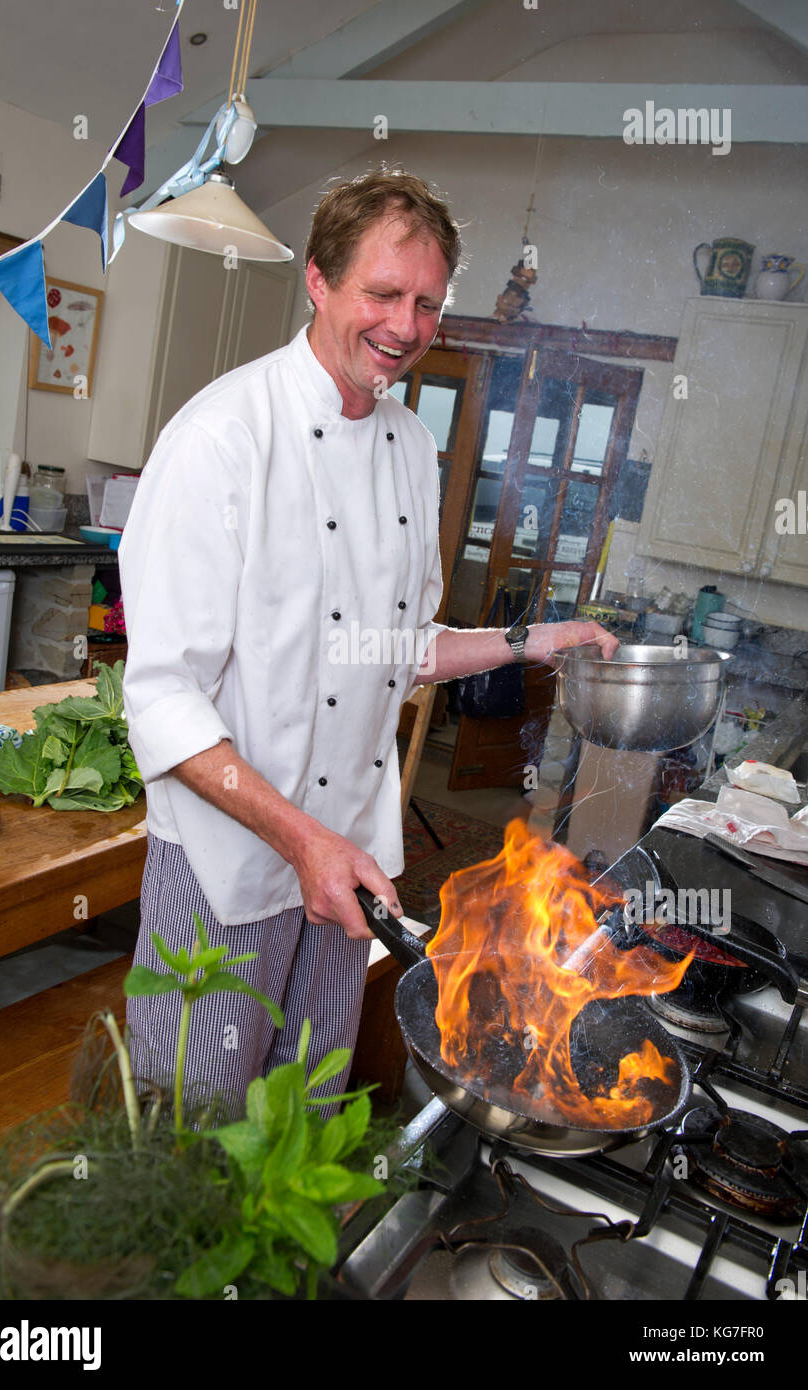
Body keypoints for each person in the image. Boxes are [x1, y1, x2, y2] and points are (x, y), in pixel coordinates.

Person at [118, 168, 618, 1116]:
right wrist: (300, 841)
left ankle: (275, 1277)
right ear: (318, 281)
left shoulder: (411, 449)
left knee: (306, 1108)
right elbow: (161, 699)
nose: (405, 324)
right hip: (228, 859)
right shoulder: (224, 438)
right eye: (383, 294)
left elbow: (398, 648)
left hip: (349, 853)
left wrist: (538, 638)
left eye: (427, 302)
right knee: (197, 1120)